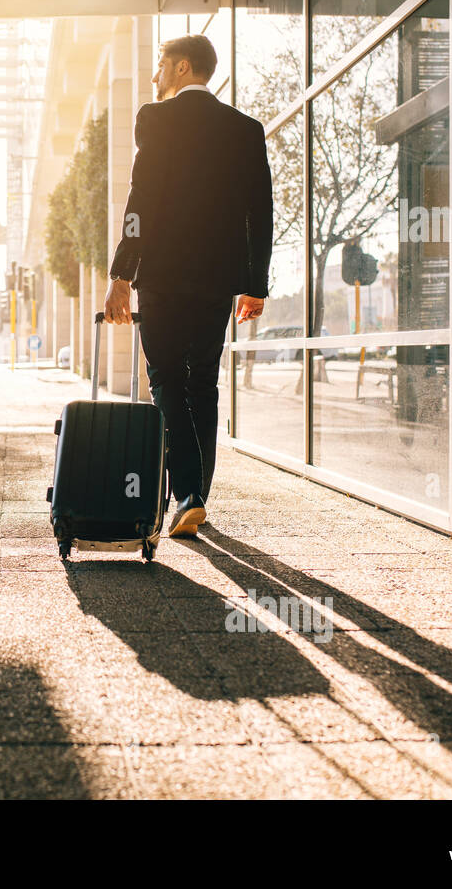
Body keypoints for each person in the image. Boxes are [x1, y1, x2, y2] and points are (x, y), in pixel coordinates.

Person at [104, 34, 273, 538]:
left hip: (161, 276)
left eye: (159, 66)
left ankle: (188, 493)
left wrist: (122, 274)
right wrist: (254, 283)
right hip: (217, 281)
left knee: (166, 379)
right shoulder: (246, 129)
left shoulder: (155, 120)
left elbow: (140, 202)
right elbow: (259, 211)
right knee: (203, 381)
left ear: (180, 68)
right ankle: (195, 495)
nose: (154, 77)